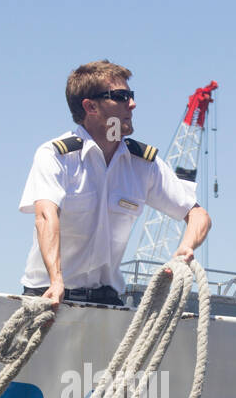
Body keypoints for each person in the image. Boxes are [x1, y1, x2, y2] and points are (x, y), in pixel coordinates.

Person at [18, 60, 211, 308]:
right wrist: (56, 281)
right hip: (49, 294)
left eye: (131, 96)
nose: (132, 103)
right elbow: (45, 217)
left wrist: (186, 247)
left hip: (107, 301)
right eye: (120, 97)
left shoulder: (143, 164)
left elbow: (198, 215)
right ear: (90, 106)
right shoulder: (57, 156)